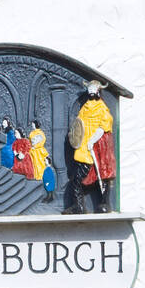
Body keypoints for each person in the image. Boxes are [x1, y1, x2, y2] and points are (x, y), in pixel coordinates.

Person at [64, 81, 116, 213]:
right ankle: (79, 206)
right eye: (90, 88)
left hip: (95, 148)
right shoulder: (85, 107)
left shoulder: (102, 109)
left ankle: (103, 203)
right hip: (83, 147)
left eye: (94, 88)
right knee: (77, 179)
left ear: (98, 91)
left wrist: (93, 140)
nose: (91, 91)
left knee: (101, 176)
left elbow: (103, 127)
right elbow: (78, 125)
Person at [28, 119, 56, 202]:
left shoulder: (40, 133)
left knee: (40, 165)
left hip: (39, 151)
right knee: (34, 165)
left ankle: (41, 178)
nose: (32, 125)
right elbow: (30, 141)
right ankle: (37, 176)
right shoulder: (32, 133)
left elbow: (41, 141)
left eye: (33, 124)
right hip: (33, 151)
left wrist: (36, 146)